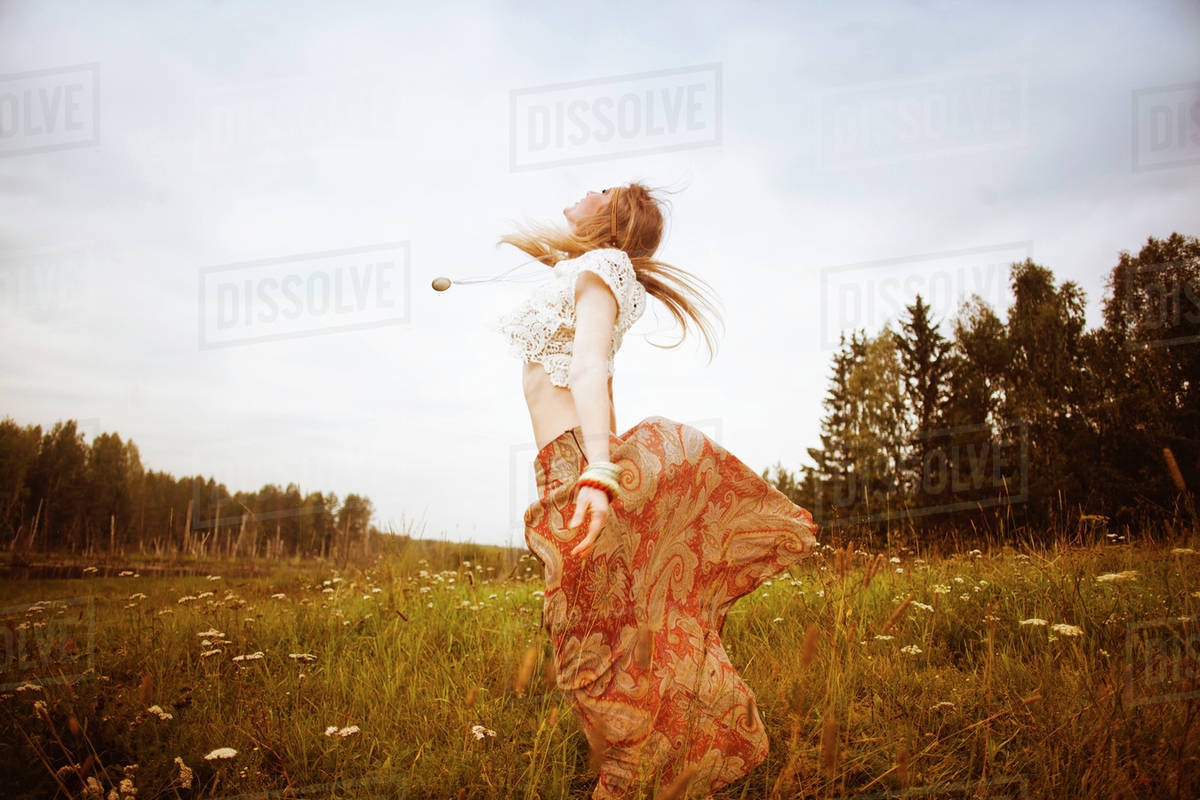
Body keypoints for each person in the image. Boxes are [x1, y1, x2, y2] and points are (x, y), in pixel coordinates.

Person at [491, 182, 819, 799]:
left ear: (614, 219)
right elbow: (594, 375)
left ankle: (631, 773)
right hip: (565, 464)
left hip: (577, 466)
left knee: (585, 641)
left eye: (604, 189)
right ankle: (625, 766)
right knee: (596, 633)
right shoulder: (585, 269)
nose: (588, 188)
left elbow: (590, 365)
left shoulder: (604, 265)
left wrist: (597, 472)